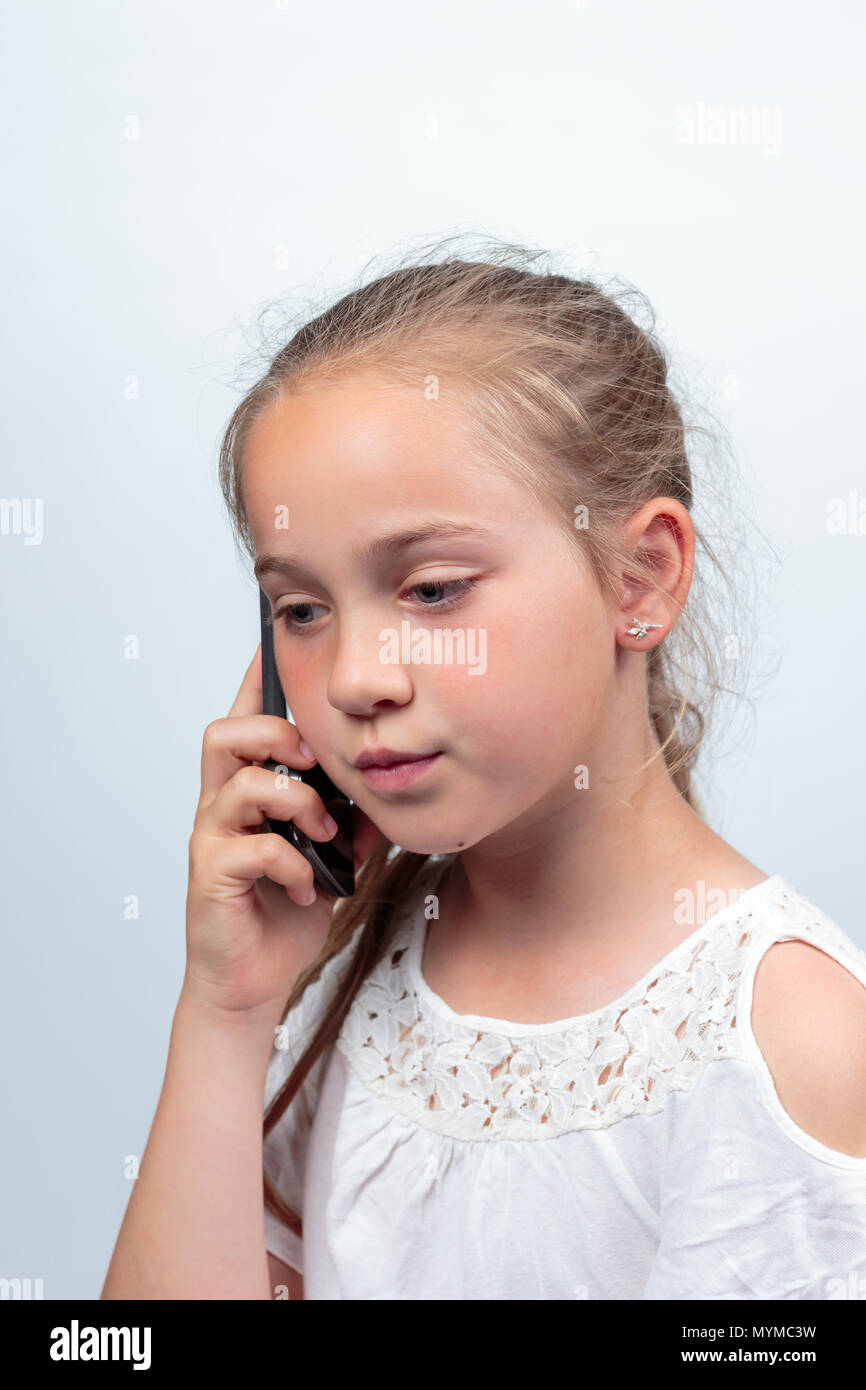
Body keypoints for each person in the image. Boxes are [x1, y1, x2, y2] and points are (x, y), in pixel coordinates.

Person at [101, 239, 866, 1301]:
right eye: (302, 610)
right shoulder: (344, 1000)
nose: (358, 678)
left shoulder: (781, 1043)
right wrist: (224, 1014)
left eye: (430, 590)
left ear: (639, 576)